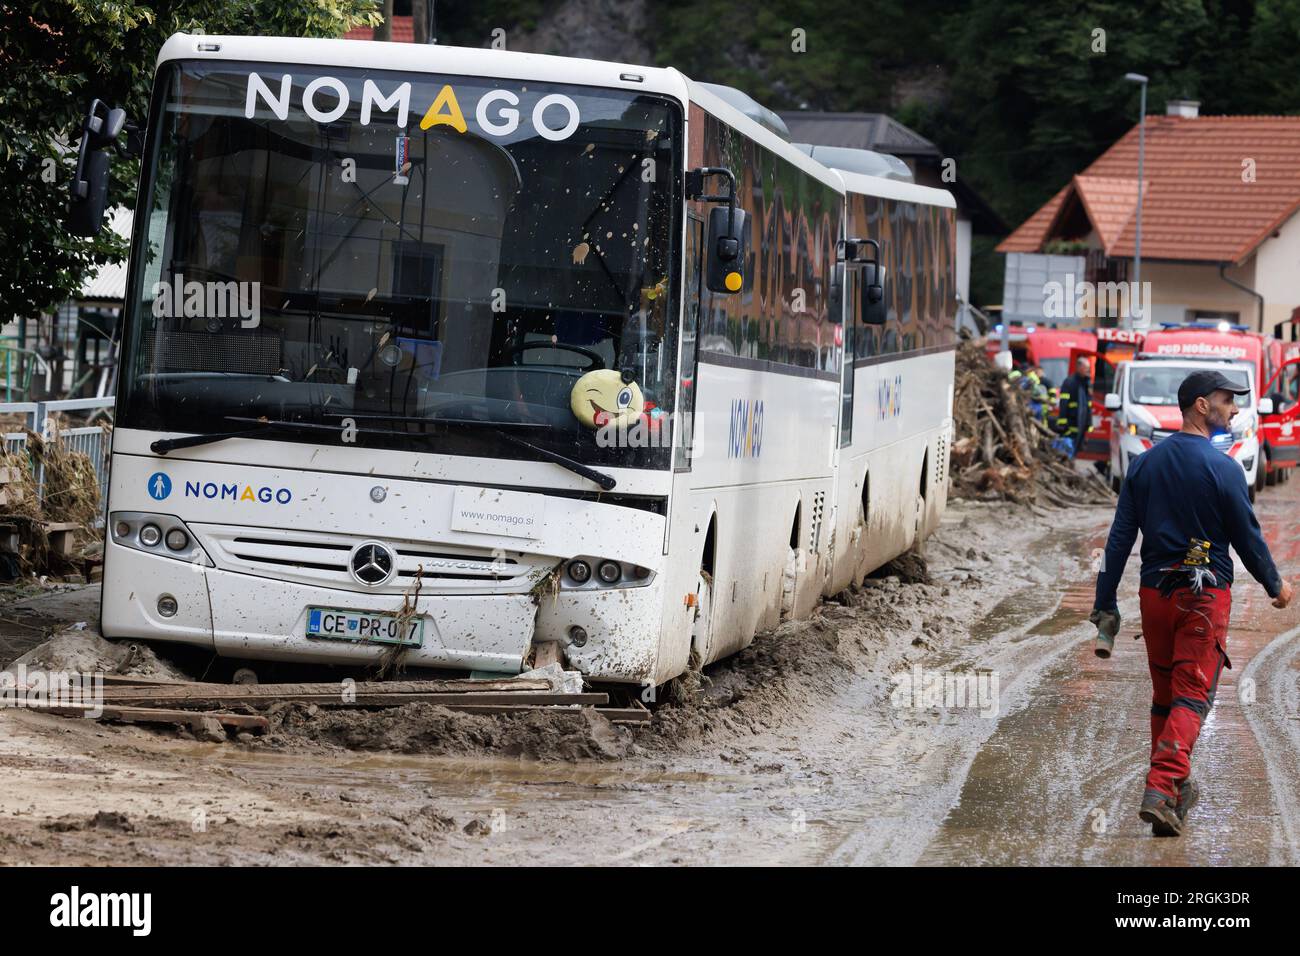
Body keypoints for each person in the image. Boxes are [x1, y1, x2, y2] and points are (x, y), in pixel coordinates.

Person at [1090, 370, 1293, 837]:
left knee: (1166, 698)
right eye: (1227, 400)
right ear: (1201, 406)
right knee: (1193, 696)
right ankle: (1161, 788)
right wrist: (1275, 586)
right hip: (1204, 598)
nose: (1235, 409)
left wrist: (1106, 604)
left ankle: (1174, 799)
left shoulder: (1144, 465)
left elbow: (1119, 540)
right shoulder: (1222, 468)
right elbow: (1247, 537)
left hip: (1154, 595)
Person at [1055, 356, 1092, 457]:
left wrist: (1089, 422)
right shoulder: (1069, 382)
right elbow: (1063, 403)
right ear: (1079, 367)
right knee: (1067, 448)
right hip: (1070, 422)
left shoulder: (1085, 383)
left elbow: (1088, 405)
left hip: (1081, 423)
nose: (1088, 370)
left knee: (1075, 449)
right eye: (1086, 367)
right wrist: (1062, 423)